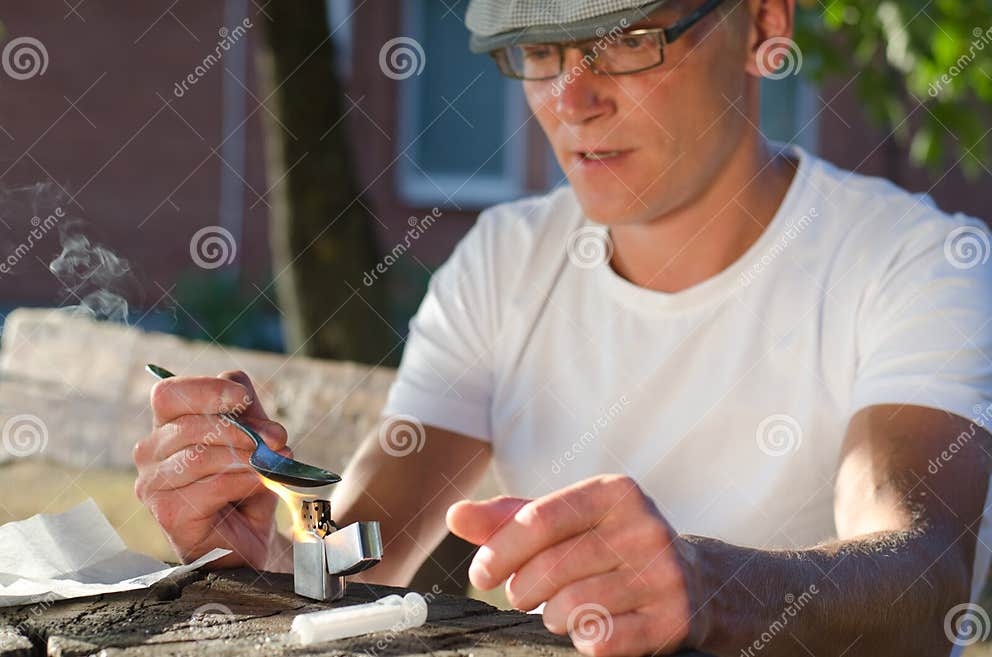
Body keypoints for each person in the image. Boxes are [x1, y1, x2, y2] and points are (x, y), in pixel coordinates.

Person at [134, 0, 992, 655]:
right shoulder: (503, 262)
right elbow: (363, 547)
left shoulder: (915, 261)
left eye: (625, 39)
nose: (571, 99)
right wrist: (277, 548)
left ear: (766, 23)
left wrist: (705, 586)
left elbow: (926, 575)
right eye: (541, 51)